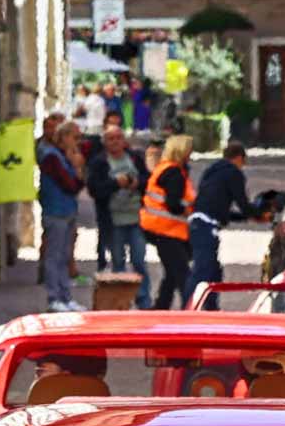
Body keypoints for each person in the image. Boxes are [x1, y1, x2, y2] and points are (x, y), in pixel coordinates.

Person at [188, 142, 264, 310]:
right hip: (207, 226)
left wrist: (244, 217)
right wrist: (259, 214)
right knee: (202, 270)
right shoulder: (233, 173)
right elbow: (242, 203)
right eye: (243, 162)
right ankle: (189, 308)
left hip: (198, 221)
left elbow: (218, 207)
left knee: (213, 271)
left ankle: (211, 308)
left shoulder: (212, 170)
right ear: (239, 158)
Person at [88, 122, 153, 308]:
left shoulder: (134, 158)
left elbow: (147, 180)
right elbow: (95, 190)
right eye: (111, 139)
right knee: (118, 264)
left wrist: (136, 183)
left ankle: (144, 302)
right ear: (105, 142)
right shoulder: (99, 162)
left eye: (118, 138)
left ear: (124, 141)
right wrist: (116, 183)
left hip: (136, 218)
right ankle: (121, 303)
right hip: (113, 220)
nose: (115, 142)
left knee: (139, 261)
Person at [142, 134, 197, 309]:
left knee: (172, 274)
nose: (190, 154)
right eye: (188, 150)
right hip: (168, 231)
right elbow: (173, 204)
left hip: (161, 229)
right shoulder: (174, 174)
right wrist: (190, 210)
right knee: (183, 274)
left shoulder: (165, 168)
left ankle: (160, 307)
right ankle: (191, 309)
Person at [38, 120, 88, 311]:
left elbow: (78, 184)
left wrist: (78, 168)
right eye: (75, 137)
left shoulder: (63, 156)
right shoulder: (51, 157)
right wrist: (76, 168)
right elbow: (70, 184)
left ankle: (66, 296)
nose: (77, 142)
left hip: (67, 211)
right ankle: (54, 297)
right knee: (54, 256)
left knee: (65, 255)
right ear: (64, 137)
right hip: (56, 211)